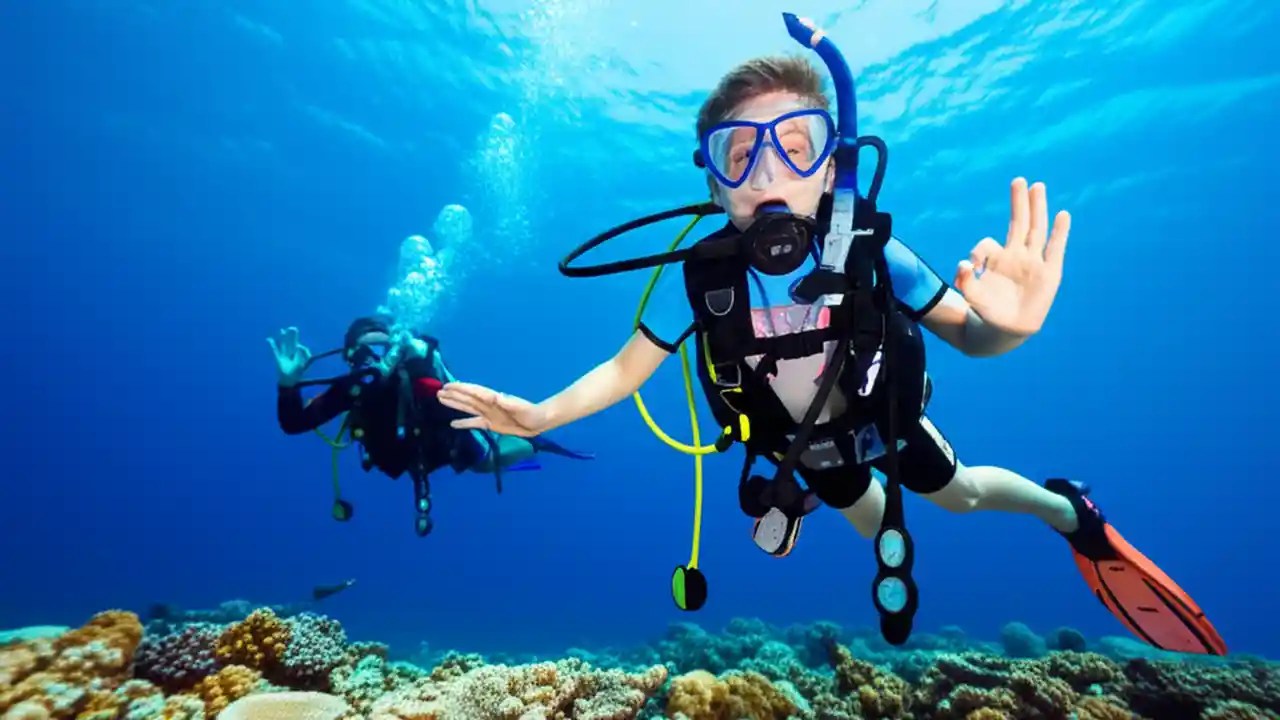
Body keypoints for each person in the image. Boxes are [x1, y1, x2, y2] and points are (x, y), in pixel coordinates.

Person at [437, 14, 1226, 656]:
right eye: (740, 154)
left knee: (959, 496)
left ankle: (1069, 513)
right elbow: (621, 372)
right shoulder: (703, 281)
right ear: (714, 184)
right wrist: (539, 417)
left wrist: (1009, 330)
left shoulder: (874, 254)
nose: (770, 171)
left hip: (885, 420)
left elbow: (972, 337)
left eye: (798, 144)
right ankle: (853, 526)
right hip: (799, 446)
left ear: (830, 168)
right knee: (862, 509)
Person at [269, 314, 593, 537]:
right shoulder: (350, 389)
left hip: (443, 446)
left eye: (381, 349)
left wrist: (522, 423)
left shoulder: (422, 380)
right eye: (361, 353)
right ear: (350, 358)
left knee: (486, 462)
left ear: (397, 350)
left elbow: (475, 402)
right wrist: (288, 383)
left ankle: (537, 444)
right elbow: (294, 423)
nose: (373, 362)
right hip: (395, 456)